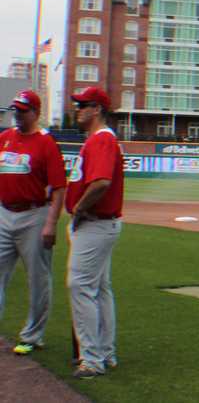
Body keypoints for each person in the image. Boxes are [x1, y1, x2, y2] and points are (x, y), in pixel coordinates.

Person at [0, 90, 66, 356]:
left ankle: (32, 335)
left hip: (34, 215)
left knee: (38, 279)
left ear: (36, 113)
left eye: (23, 110)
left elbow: (59, 188)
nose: (17, 113)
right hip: (4, 213)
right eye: (15, 109)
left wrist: (51, 224)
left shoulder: (46, 143)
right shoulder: (4, 138)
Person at [65, 86, 124, 379]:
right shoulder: (99, 140)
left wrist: (78, 207)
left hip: (95, 224)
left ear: (97, 108)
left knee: (80, 286)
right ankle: (105, 353)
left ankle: (92, 359)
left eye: (83, 104)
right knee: (99, 289)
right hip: (101, 224)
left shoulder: (101, 140)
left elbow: (100, 182)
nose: (78, 109)